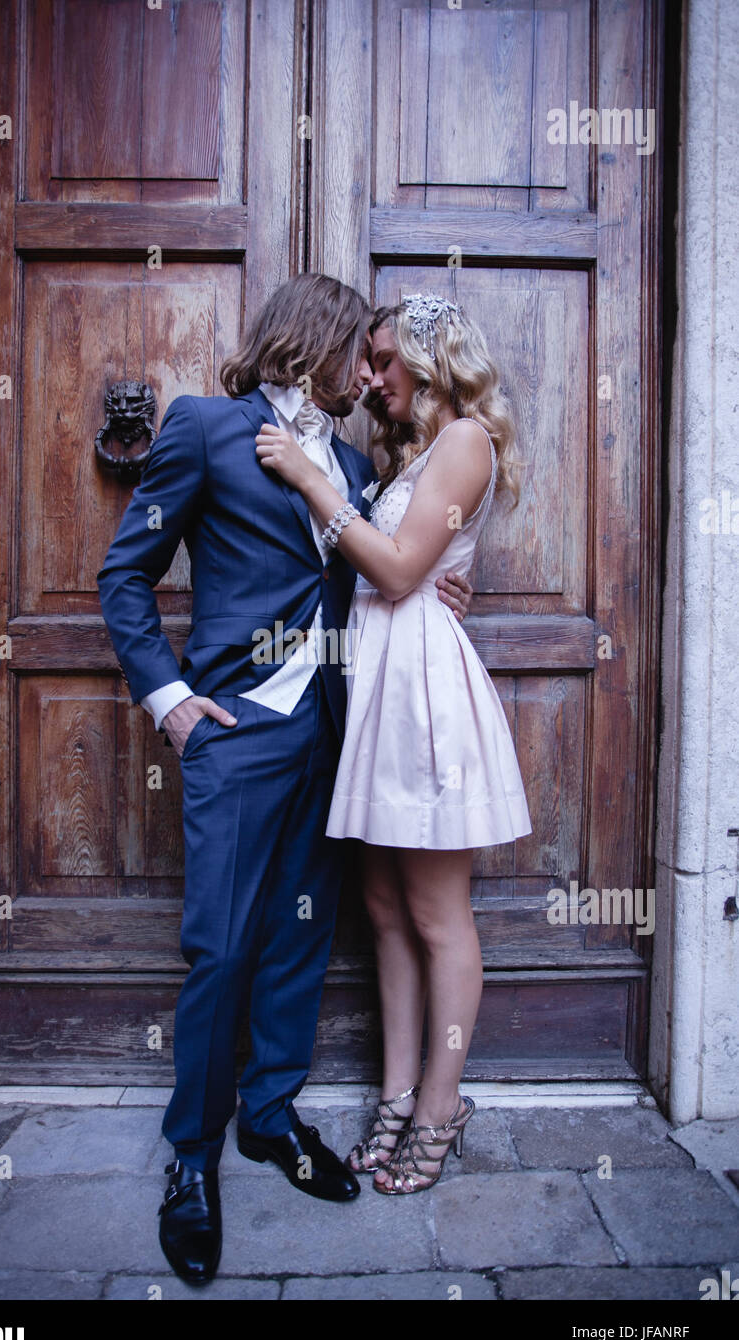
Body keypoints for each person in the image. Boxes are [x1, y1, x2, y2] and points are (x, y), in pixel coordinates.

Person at [96, 274, 473, 1283]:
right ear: (315, 341)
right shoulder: (206, 431)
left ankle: (268, 1118)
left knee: (298, 936)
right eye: (360, 350)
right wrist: (170, 701)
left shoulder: (350, 461)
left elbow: (376, 567)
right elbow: (122, 573)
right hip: (234, 736)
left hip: (331, 739)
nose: (369, 371)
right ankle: (190, 1159)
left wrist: (432, 581)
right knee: (219, 947)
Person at [255, 292, 532, 1196]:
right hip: (376, 682)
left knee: (437, 916)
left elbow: (403, 569)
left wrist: (309, 477)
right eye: (367, 363)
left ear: (428, 354)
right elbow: (412, 562)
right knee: (380, 911)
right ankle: (397, 1093)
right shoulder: (414, 451)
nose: (368, 380)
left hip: (417, 693)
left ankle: (441, 1109)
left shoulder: (463, 441)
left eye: (381, 361)